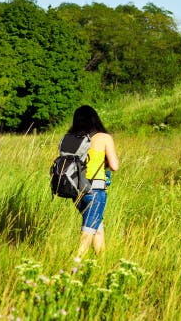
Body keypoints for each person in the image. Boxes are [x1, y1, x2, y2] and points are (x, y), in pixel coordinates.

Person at [67, 105, 119, 259]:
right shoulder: (103, 138)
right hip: (95, 191)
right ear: (95, 119)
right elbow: (115, 166)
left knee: (97, 229)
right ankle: (73, 270)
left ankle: (102, 265)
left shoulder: (71, 138)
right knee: (87, 233)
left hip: (75, 191)